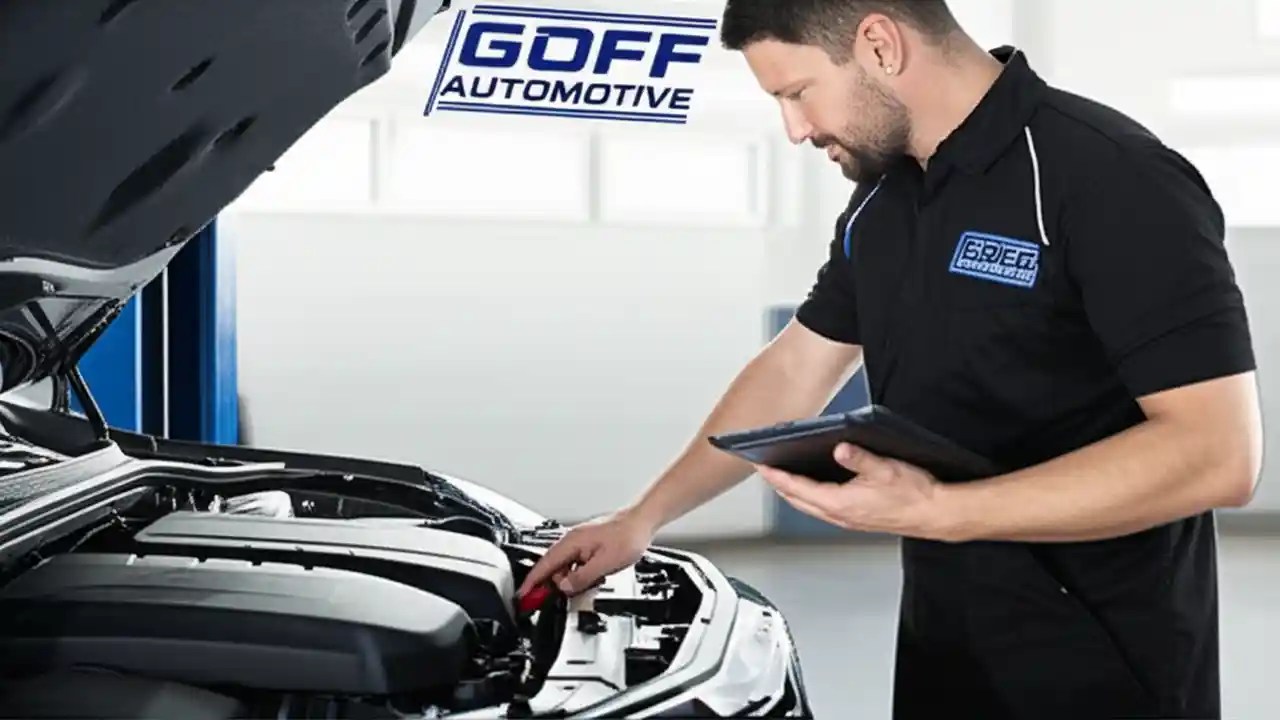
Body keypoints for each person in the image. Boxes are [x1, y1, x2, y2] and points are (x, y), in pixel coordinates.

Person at [517, 1, 1264, 718]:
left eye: (799, 92)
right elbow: (797, 368)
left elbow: (1217, 453)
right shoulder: (883, 197)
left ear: (880, 44)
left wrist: (944, 511)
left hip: (1103, 668)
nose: (795, 129)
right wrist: (644, 518)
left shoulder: (1111, 177)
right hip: (946, 653)